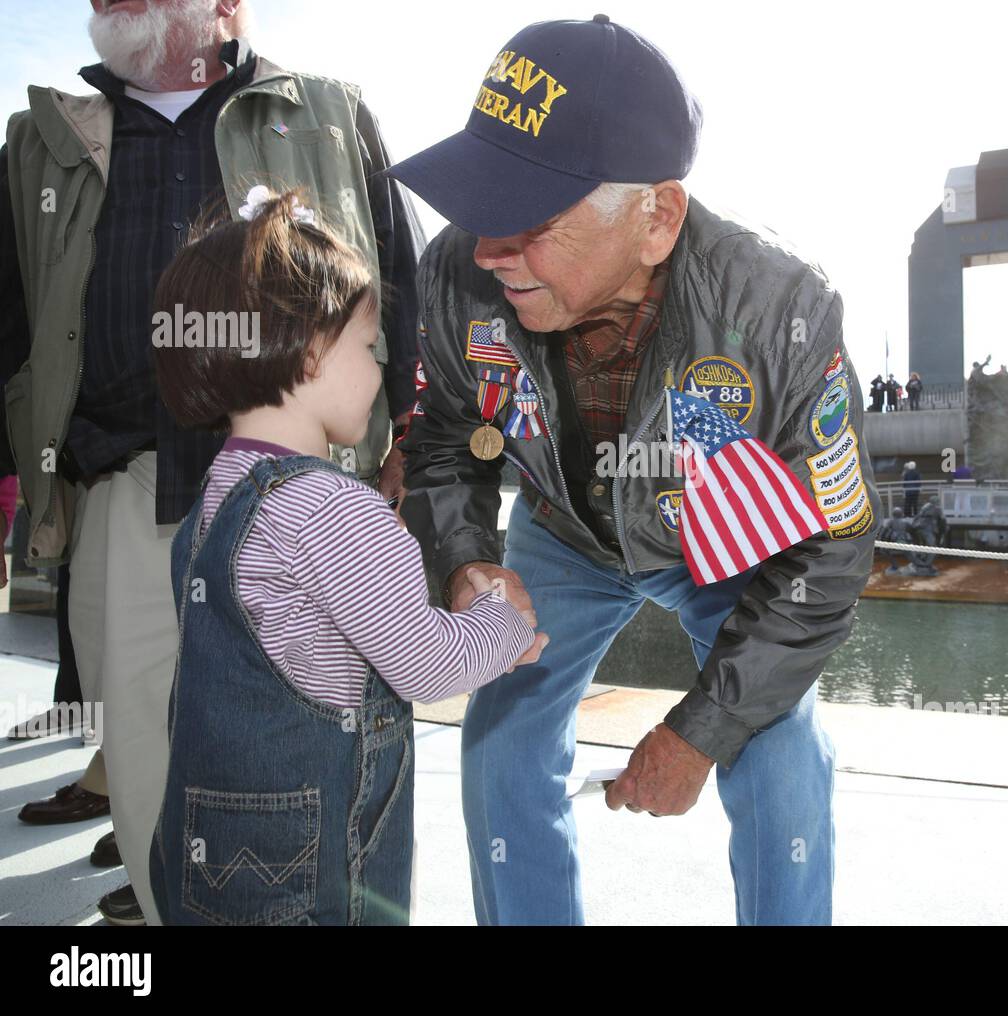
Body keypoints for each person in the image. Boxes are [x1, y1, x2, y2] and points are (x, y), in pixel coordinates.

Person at [392, 16, 879, 925]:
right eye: (478, 202)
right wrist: (463, 557)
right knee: (499, 742)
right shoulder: (455, 273)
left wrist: (697, 735)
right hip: (562, 529)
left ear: (655, 218)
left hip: (716, 539)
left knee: (778, 752)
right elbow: (447, 435)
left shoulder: (783, 311)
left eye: (529, 217)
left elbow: (834, 551)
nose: (489, 250)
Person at [0, 0, 422, 926]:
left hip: (310, 497)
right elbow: (12, 321)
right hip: (119, 482)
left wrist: (412, 457)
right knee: (146, 762)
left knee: (320, 757)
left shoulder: (333, 112)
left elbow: (402, 282)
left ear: (226, 5)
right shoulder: (36, 140)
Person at [147, 189, 543, 925]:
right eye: (367, 347)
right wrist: (503, 623)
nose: (380, 366)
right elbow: (428, 666)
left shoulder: (218, 492)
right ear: (308, 352)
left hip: (207, 851)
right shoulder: (334, 509)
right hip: (305, 868)